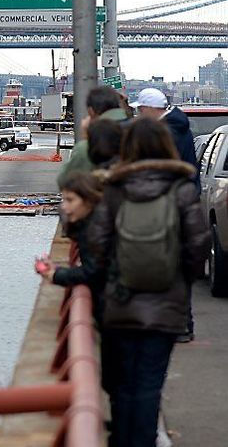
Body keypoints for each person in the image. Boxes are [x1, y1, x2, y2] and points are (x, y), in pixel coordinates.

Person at [86, 117, 208, 447]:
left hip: (121, 300)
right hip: (166, 303)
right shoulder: (182, 190)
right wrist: (180, 277)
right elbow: (199, 243)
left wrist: (114, 273)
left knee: (123, 383)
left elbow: (96, 243)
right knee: (149, 383)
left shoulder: (114, 190)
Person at [131, 87, 200, 342]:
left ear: (151, 109)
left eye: (140, 110)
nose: (139, 114)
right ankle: (181, 324)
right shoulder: (181, 128)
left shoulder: (164, 134)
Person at [36, 171, 106, 324]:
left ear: (88, 200)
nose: (64, 207)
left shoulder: (96, 230)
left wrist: (55, 275)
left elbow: (93, 272)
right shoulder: (97, 223)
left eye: (70, 200)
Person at [56, 85, 127, 188]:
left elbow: (65, 181)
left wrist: (86, 138)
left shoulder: (90, 145)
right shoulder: (140, 128)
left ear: (91, 111)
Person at [131, 88, 199, 187]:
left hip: (172, 191)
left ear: (149, 108)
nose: (140, 114)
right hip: (184, 190)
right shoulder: (177, 126)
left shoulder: (164, 131)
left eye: (140, 109)